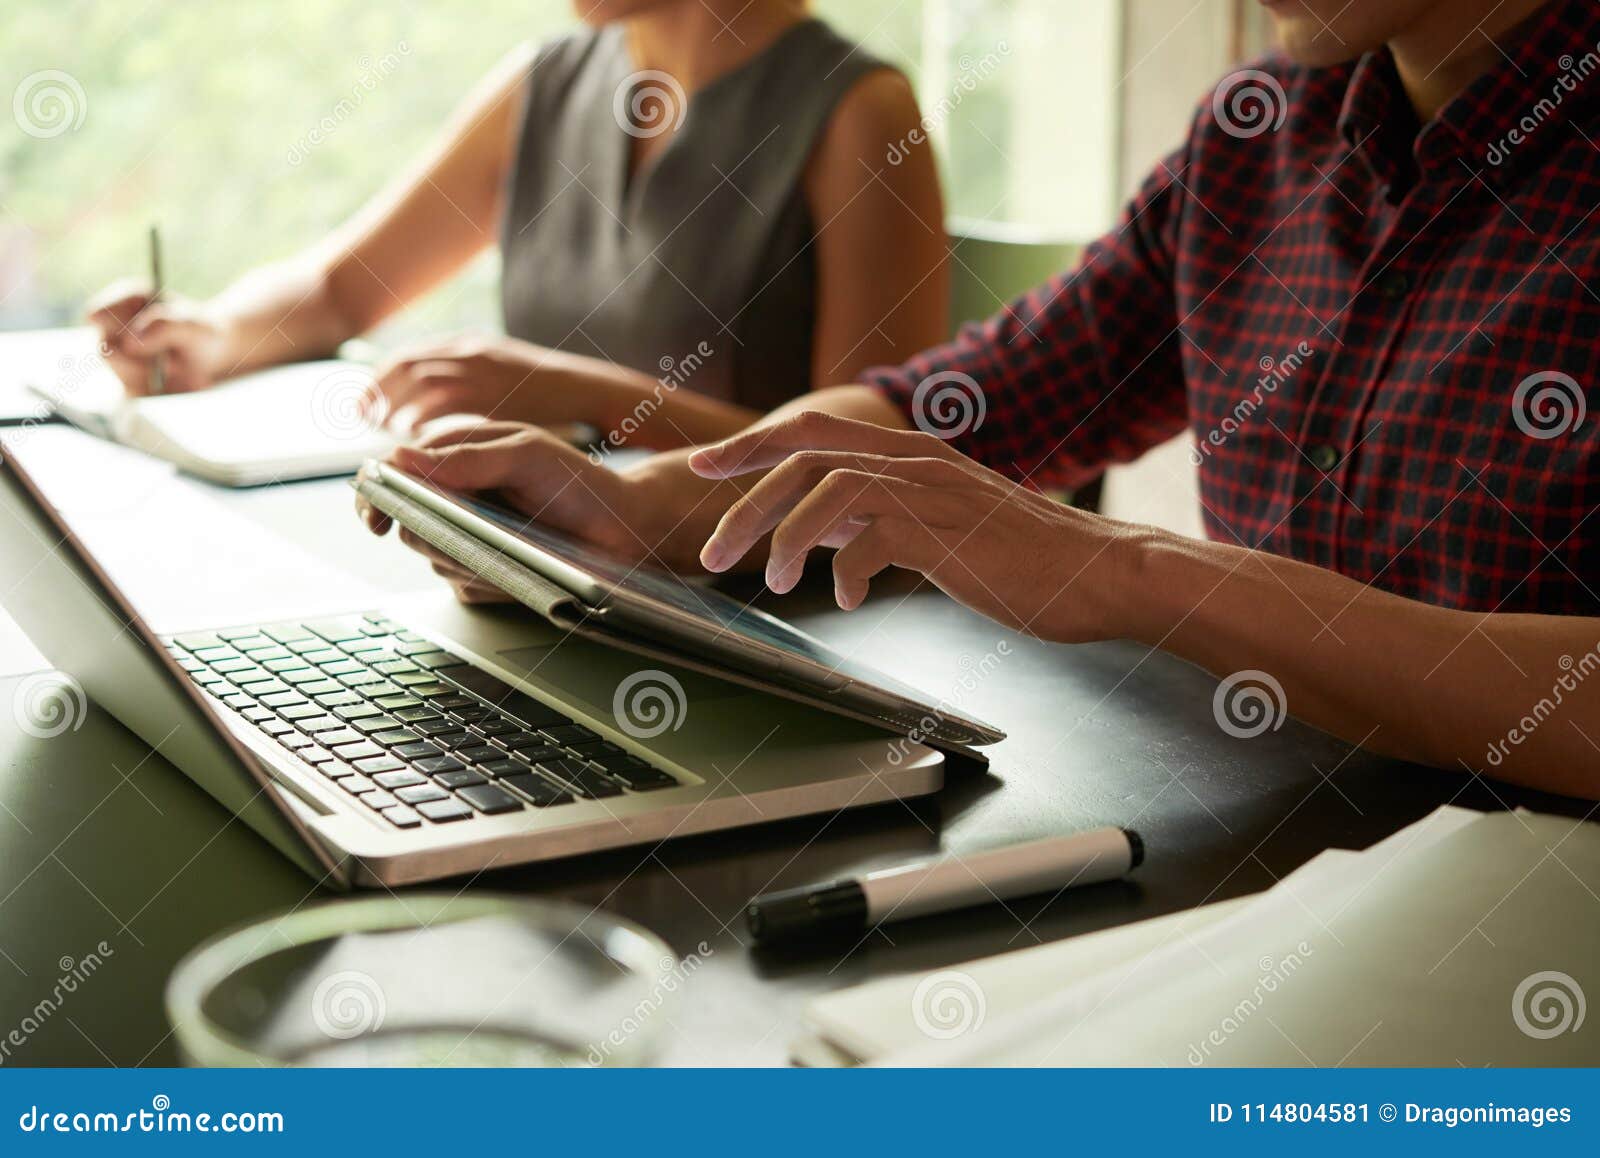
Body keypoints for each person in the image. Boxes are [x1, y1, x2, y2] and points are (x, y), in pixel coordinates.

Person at [362, 0, 1600, 801]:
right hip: (1288, 867)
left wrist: (1124, 569)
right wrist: (635, 506)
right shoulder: (1262, 130)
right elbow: (959, 405)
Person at [84, 0, 947, 447]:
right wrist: (212, 332)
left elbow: (870, 463)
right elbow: (343, 289)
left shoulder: (861, 116)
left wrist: (563, 393)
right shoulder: (544, 83)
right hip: (539, 584)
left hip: (760, 631)